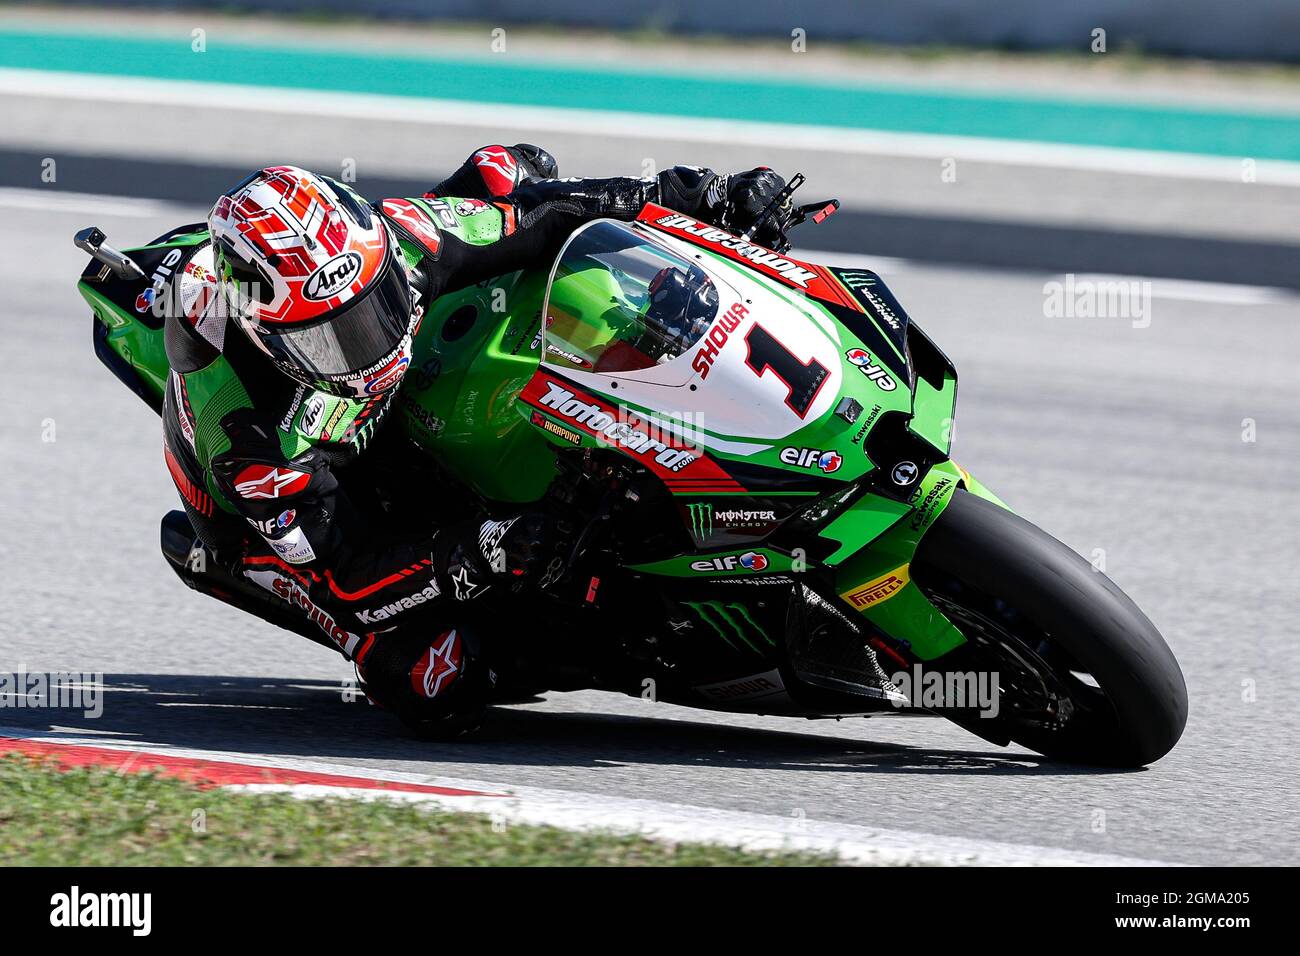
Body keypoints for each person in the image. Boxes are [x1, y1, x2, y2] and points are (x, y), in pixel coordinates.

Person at [159, 144, 785, 735]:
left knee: (511, 172)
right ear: (265, 332)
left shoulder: (398, 241)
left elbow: (542, 213)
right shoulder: (252, 442)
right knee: (434, 684)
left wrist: (695, 197)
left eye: (375, 308)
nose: (370, 344)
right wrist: (472, 551)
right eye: (333, 337)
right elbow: (348, 576)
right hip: (286, 519)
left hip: (377, 415)